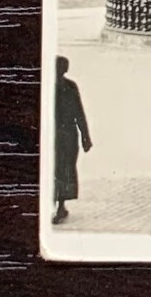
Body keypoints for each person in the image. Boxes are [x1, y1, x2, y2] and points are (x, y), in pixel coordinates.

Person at [52, 56, 92, 225]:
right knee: (63, 168)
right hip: (65, 133)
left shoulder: (59, 86)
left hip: (61, 133)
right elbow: (79, 113)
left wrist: (85, 136)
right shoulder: (68, 86)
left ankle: (60, 205)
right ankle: (59, 205)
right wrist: (85, 137)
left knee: (62, 168)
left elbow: (79, 112)